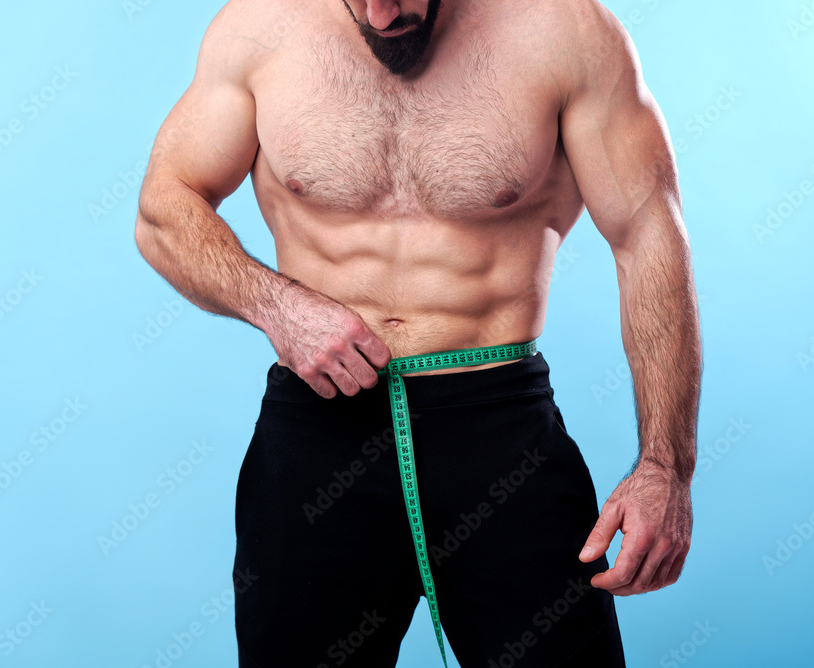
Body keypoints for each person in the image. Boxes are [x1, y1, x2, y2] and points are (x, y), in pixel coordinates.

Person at [133, 0, 702, 666]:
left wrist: (667, 468)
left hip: (501, 436)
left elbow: (647, 234)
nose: (379, 15)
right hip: (318, 437)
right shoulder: (258, 29)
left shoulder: (566, 32)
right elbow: (164, 208)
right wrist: (278, 307)